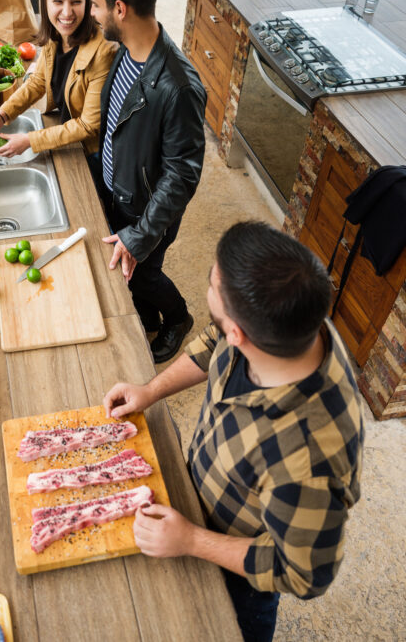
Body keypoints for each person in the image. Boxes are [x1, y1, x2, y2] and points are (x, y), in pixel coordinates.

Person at [103, 221, 364, 642]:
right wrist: (150, 390)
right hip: (201, 508)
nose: (208, 283)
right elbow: (214, 341)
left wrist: (191, 540)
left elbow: (304, 573)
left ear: (239, 333)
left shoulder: (309, 459)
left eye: (212, 285)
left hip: (242, 574)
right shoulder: (286, 323)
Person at [84, 0, 206, 363]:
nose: (92, 14)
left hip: (147, 211)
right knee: (131, 278)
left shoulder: (179, 87)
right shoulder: (127, 50)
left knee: (144, 274)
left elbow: (182, 176)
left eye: (96, 5)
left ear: (120, 9)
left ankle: (177, 319)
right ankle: (150, 315)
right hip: (120, 193)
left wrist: (140, 235)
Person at [0, 0, 116, 157]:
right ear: (45, 2)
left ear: (88, 3)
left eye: (76, 1)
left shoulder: (103, 52)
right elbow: (38, 82)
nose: (67, 12)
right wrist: (2, 115)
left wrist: (30, 140)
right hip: (65, 133)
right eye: (58, 1)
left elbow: (88, 125)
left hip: (92, 151)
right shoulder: (56, 34)